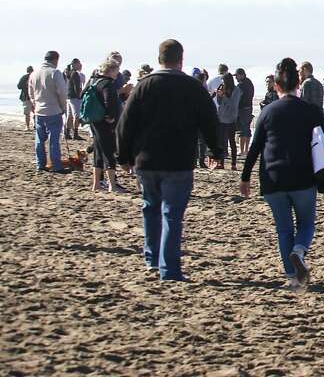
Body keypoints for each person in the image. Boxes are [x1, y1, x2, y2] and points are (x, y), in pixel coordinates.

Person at [116, 39, 220, 281]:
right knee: (171, 214)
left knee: (150, 208)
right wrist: (216, 150)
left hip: (147, 160)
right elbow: (209, 120)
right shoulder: (192, 87)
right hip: (178, 160)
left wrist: (123, 156)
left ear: (159, 59)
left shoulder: (144, 86)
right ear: (181, 59)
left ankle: (152, 259)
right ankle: (168, 269)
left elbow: (125, 123)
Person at [240, 58, 324, 291]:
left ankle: (292, 277)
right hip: (303, 177)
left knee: (283, 229)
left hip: (273, 179)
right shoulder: (310, 110)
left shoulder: (268, 111)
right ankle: (299, 251)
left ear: (276, 86)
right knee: (306, 223)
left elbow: (255, 147)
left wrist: (245, 177)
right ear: (298, 84)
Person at [85, 57, 127, 193]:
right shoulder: (108, 84)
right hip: (105, 122)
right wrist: (110, 117)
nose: (117, 74)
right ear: (111, 70)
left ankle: (96, 184)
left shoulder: (95, 81)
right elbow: (108, 101)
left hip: (95, 121)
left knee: (98, 151)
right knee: (109, 152)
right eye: (116, 70)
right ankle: (112, 185)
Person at [29, 51, 70, 173]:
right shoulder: (55, 72)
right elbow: (62, 92)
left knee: (39, 140)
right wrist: (64, 107)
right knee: (53, 140)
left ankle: (40, 163)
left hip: (39, 110)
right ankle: (56, 165)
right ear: (56, 60)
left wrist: (34, 104)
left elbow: (31, 92)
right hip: (53, 110)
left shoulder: (34, 73)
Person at [213, 72, 242, 169]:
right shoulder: (222, 87)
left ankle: (233, 164)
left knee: (232, 142)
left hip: (231, 119)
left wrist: (224, 96)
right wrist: (219, 95)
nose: (222, 82)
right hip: (221, 118)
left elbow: (233, 105)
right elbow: (220, 102)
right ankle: (220, 163)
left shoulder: (237, 91)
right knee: (221, 142)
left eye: (223, 80)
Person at [235, 68, 255, 156]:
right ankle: (246, 150)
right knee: (247, 128)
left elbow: (237, 98)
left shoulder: (241, 85)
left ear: (242, 74)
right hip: (249, 107)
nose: (236, 78)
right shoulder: (249, 83)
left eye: (237, 76)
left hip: (242, 108)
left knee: (242, 129)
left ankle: (242, 150)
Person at [63, 58, 84, 141]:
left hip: (69, 96)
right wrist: (80, 95)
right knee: (76, 115)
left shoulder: (69, 73)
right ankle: (75, 133)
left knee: (69, 115)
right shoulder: (75, 74)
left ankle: (67, 133)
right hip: (74, 97)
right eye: (79, 64)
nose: (81, 65)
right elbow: (77, 87)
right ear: (75, 64)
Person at [18, 66, 34, 131]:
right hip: (34, 97)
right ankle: (35, 126)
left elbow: (19, 86)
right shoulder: (35, 76)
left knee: (27, 113)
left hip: (27, 97)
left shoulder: (24, 77)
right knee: (35, 112)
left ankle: (28, 127)